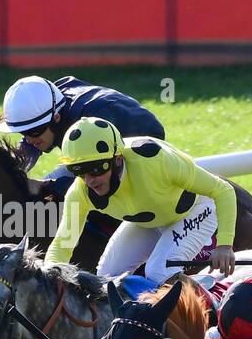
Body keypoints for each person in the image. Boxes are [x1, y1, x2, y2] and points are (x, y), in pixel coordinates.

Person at [44, 118, 237, 282]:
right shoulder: (80, 191)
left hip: (195, 210)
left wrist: (225, 245)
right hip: (148, 222)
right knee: (106, 277)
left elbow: (223, 190)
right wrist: (48, 276)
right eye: (78, 171)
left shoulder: (157, 162)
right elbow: (63, 243)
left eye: (96, 168)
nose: (89, 180)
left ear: (118, 160)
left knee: (158, 271)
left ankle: (211, 304)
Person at [0, 75, 165, 201]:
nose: (28, 139)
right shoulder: (53, 102)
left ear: (56, 118)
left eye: (34, 131)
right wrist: (11, 173)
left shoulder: (88, 123)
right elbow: (27, 150)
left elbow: (96, 179)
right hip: (97, 153)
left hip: (139, 155)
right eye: (23, 132)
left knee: (60, 191)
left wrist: (48, 186)